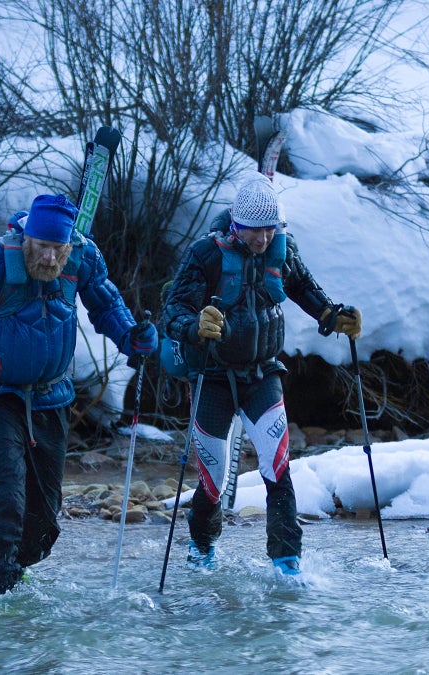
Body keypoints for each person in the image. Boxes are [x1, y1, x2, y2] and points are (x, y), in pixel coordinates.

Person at [0, 193, 157, 599]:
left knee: (44, 514)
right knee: (5, 498)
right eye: (42, 247)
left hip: (52, 396)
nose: (49, 258)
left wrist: (132, 338)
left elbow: (107, 306)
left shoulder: (82, 259)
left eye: (57, 248)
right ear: (26, 239)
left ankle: (15, 573)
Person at [161, 176, 361, 578]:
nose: (263, 238)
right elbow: (173, 311)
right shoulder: (205, 254)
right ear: (237, 225)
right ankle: (202, 547)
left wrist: (332, 315)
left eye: (271, 229)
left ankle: (287, 563)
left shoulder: (282, 250)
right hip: (212, 377)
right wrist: (194, 326)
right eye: (255, 230)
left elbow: (303, 287)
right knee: (213, 481)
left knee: (278, 466)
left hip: (262, 374)